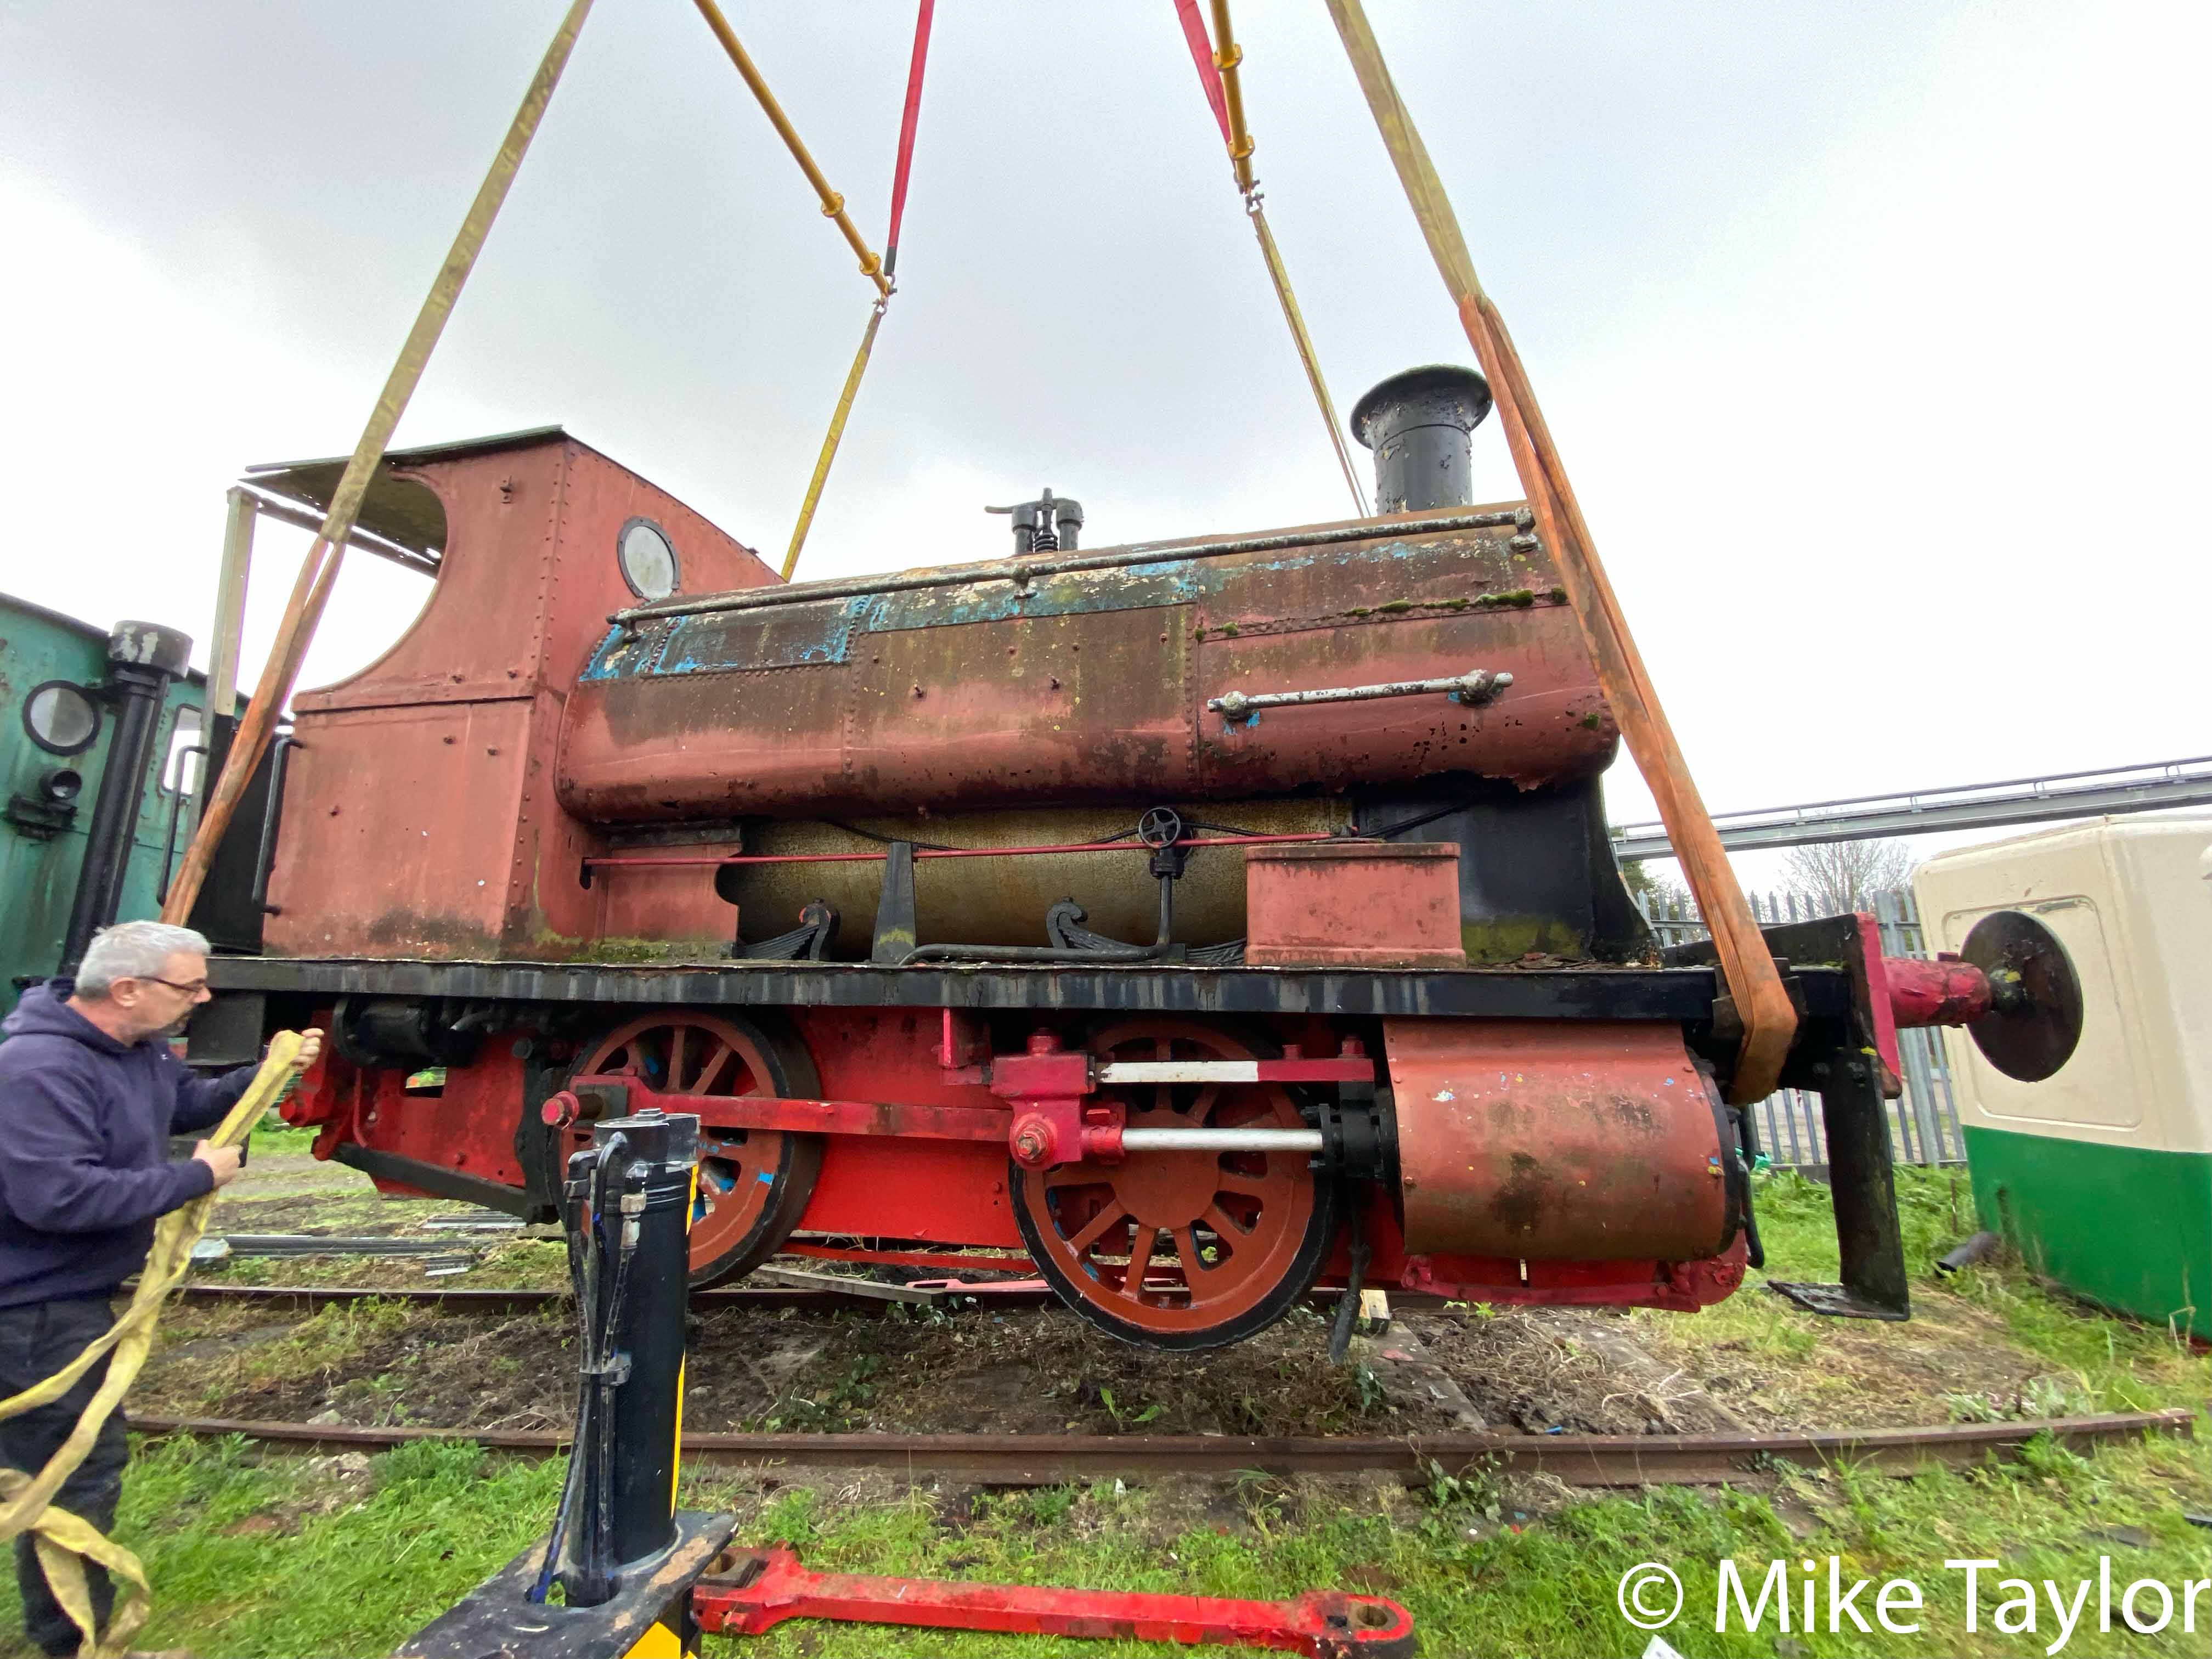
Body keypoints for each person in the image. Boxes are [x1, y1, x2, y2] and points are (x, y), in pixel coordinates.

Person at [0, 921, 321, 1658]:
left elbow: (186, 1107)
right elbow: (58, 1199)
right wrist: (194, 1178)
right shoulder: (39, 1069)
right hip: (27, 1310)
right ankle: (73, 1644)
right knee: (69, 1478)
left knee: (54, 1471)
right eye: (190, 986)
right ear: (126, 989)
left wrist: (271, 1072)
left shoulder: (133, 1051)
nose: (203, 998)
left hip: (64, 1301)